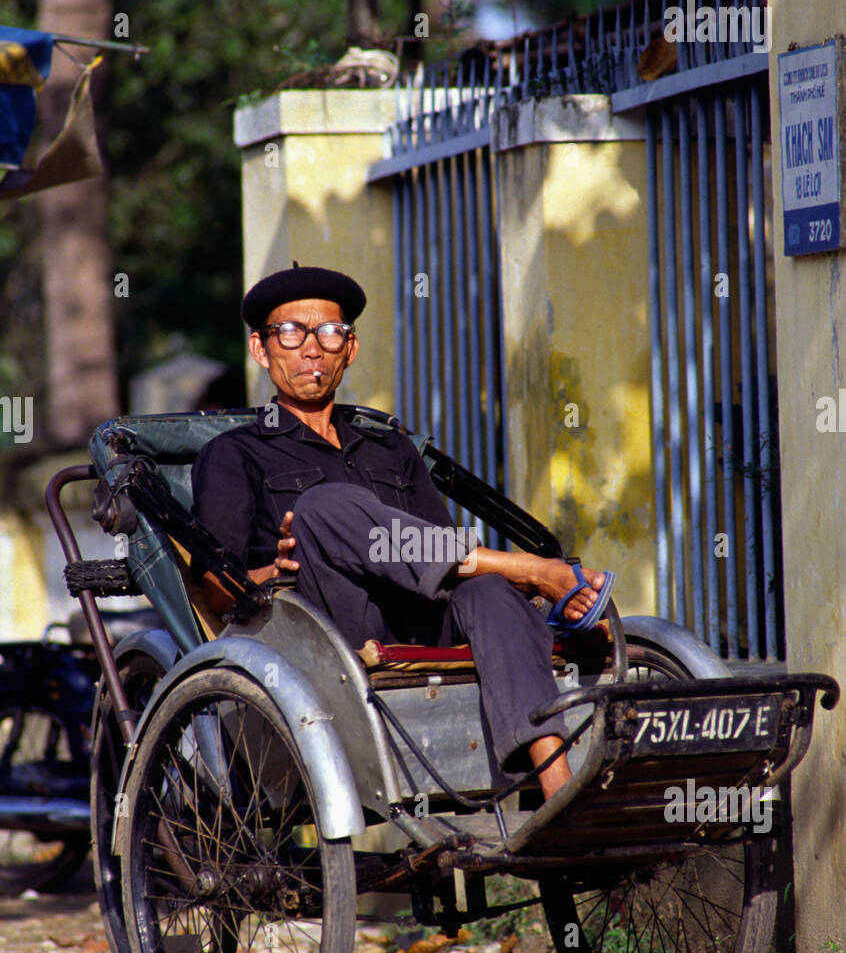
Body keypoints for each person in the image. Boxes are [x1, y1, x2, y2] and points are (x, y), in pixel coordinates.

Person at [191, 265, 615, 802]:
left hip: (421, 623)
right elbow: (214, 591)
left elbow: (448, 560)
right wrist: (268, 572)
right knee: (322, 507)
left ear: (351, 348)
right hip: (324, 639)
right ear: (261, 348)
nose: (312, 350)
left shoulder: (391, 449)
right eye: (292, 334)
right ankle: (531, 567)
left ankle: (559, 788)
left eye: (329, 334)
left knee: (486, 588)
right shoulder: (233, 454)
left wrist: (517, 590)